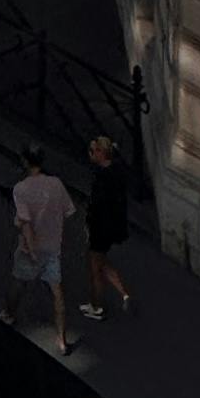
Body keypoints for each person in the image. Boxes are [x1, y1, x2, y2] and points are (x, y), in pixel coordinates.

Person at [3, 146, 74, 356]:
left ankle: (9, 315)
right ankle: (61, 339)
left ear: (26, 162)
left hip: (30, 248)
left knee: (19, 281)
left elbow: (23, 223)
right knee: (57, 292)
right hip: (52, 246)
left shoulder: (22, 189)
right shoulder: (56, 184)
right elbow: (67, 211)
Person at [80, 133, 134, 320]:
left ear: (101, 153)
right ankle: (124, 293)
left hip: (100, 229)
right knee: (101, 261)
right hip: (112, 228)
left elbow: (97, 207)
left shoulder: (102, 179)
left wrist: (89, 226)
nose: (90, 154)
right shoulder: (116, 172)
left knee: (96, 267)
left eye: (93, 151)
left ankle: (97, 306)